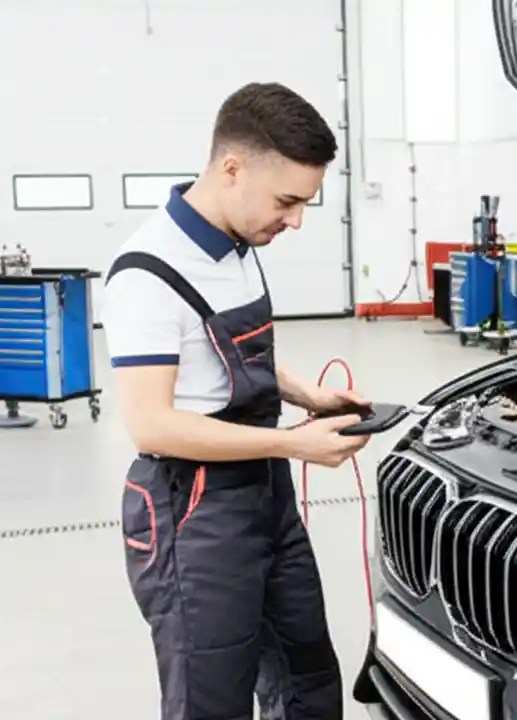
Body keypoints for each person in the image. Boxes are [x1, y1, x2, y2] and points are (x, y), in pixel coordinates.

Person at [100, 81, 368, 719]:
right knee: (211, 700)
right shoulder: (146, 273)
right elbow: (153, 425)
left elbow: (234, 357)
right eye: (287, 201)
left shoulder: (239, 245)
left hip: (265, 497)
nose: (295, 220)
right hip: (191, 515)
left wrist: (308, 394)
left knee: (308, 678)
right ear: (231, 168)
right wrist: (291, 442)